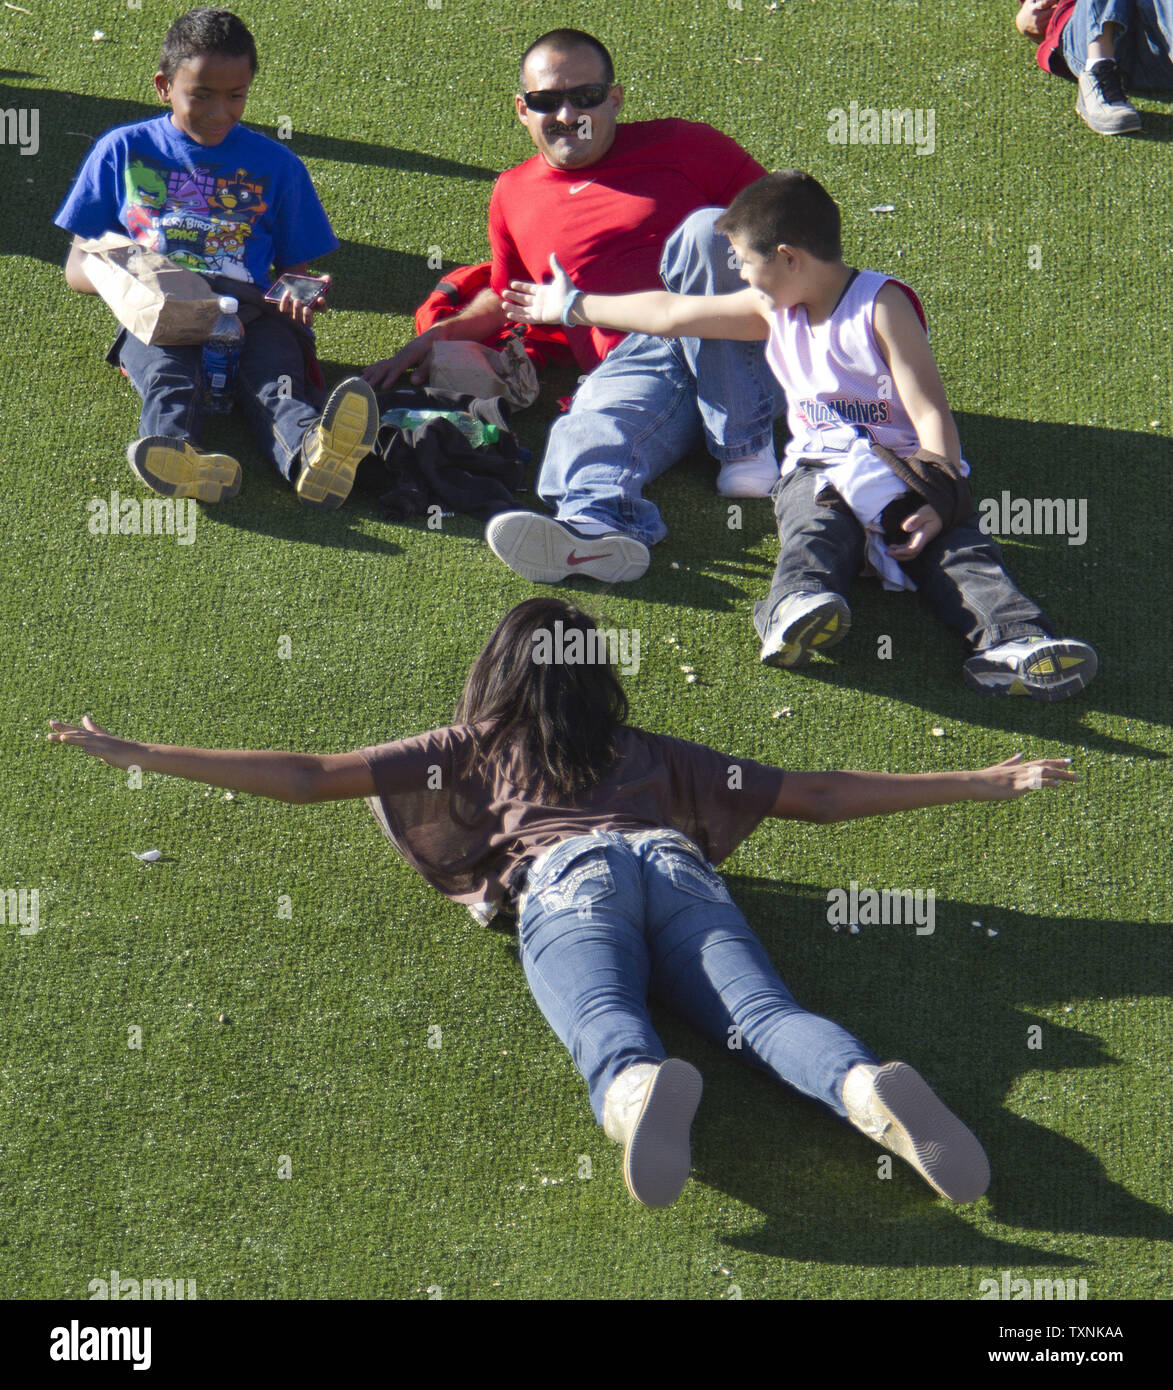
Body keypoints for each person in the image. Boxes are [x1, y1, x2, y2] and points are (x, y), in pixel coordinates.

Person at [48, 598, 1078, 1208]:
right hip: (675, 866)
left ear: (497, 676)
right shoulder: (647, 754)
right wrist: (984, 779)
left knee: (605, 1026)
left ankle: (637, 1096)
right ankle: (859, 1089)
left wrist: (144, 752)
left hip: (566, 882)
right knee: (768, 1019)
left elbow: (313, 773)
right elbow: (814, 795)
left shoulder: (471, 747)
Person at [503, 171, 1099, 701]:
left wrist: (938, 494)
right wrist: (573, 306)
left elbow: (930, 410)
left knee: (961, 556)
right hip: (818, 467)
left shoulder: (881, 304)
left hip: (903, 469)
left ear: (788, 257)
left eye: (740, 259)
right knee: (812, 530)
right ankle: (798, 608)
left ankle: (1016, 644)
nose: (735, 271)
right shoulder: (772, 308)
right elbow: (672, 313)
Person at [363, 28, 785, 583]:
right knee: (583, 427)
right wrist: (431, 339)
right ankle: (594, 532)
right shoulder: (512, 192)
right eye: (546, 101)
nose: (567, 114)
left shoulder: (687, 145)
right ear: (522, 109)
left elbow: (787, 230)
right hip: (637, 359)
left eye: (585, 97)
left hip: (731, 336)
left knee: (710, 231)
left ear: (615, 98)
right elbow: (514, 296)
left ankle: (745, 445)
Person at [54, 7, 378, 509]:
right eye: (200, 95)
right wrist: (141, 279)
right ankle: (181, 456)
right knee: (169, 378)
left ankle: (313, 454)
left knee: (277, 382)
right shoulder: (123, 150)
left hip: (253, 309)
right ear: (164, 86)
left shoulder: (278, 165)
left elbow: (294, 271)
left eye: (235, 96)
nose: (218, 113)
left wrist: (300, 296)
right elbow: (79, 265)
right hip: (160, 314)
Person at [1015, 0, 1173, 134]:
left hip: (1160, 45)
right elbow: (1033, 13)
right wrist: (1024, 18)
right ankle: (1099, 71)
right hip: (1094, 35)